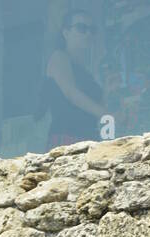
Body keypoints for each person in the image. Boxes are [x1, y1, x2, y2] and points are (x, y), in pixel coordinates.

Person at [43, 10, 106, 150]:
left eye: (92, 30)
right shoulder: (58, 57)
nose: (88, 34)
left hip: (90, 140)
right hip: (67, 139)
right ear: (66, 33)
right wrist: (106, 113)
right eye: (81, 28)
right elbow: (71, 93)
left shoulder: (87, 71)